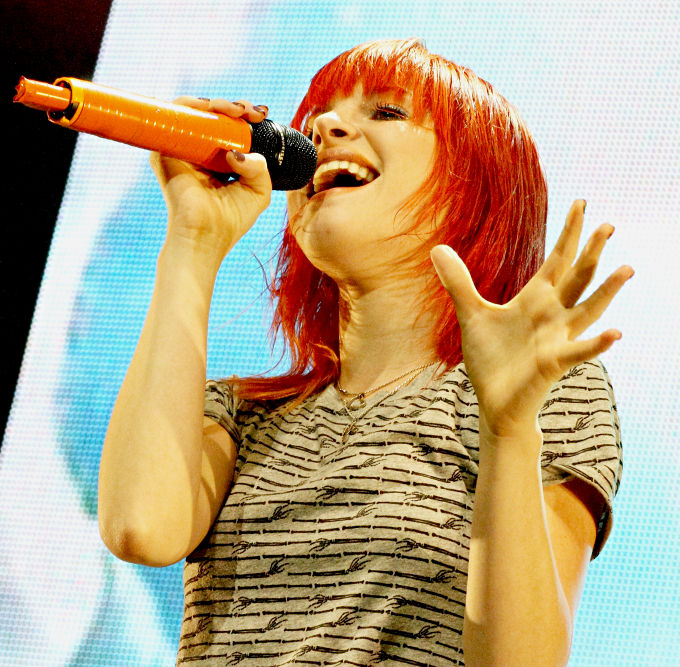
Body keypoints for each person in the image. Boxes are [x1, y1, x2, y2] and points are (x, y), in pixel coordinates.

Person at [97, 39, 630, 666]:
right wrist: (194, 237)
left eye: (387, 112)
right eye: (317, 114)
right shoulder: (242, 416)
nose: (323, 125)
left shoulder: (551, 393)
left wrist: (509, 430)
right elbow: (140, 527)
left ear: (477, 182)